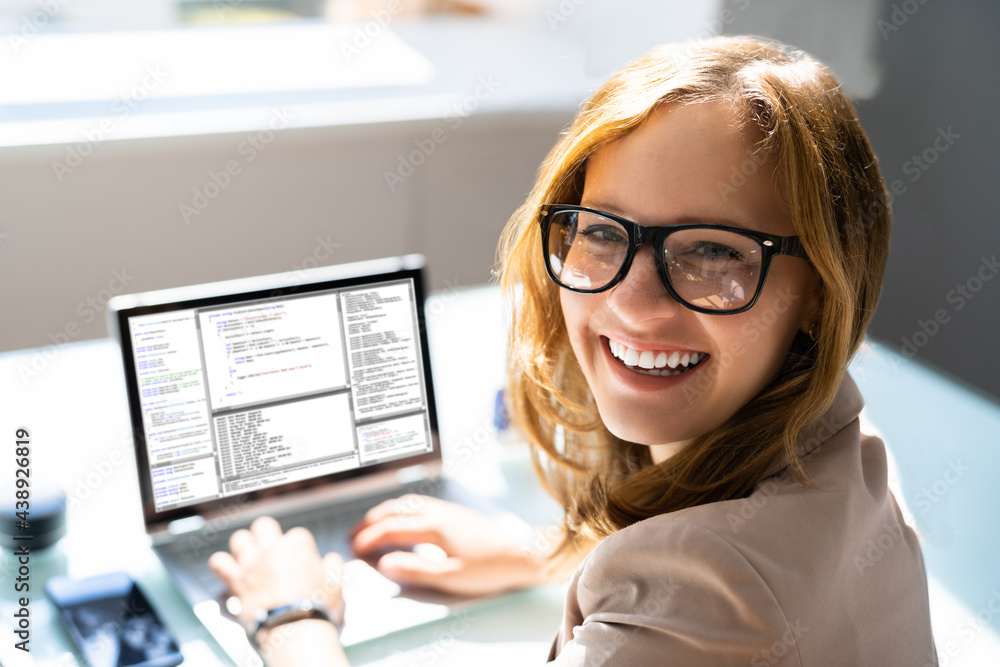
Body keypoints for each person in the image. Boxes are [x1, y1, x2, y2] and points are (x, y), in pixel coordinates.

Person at [209, 35, 937, 666]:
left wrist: (290, 615)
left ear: (821, 288)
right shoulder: (839, 433)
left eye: (714, 251)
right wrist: (541, 552)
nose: (631, 304)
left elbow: (718, 592)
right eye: (600, 230)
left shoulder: (711, 592)